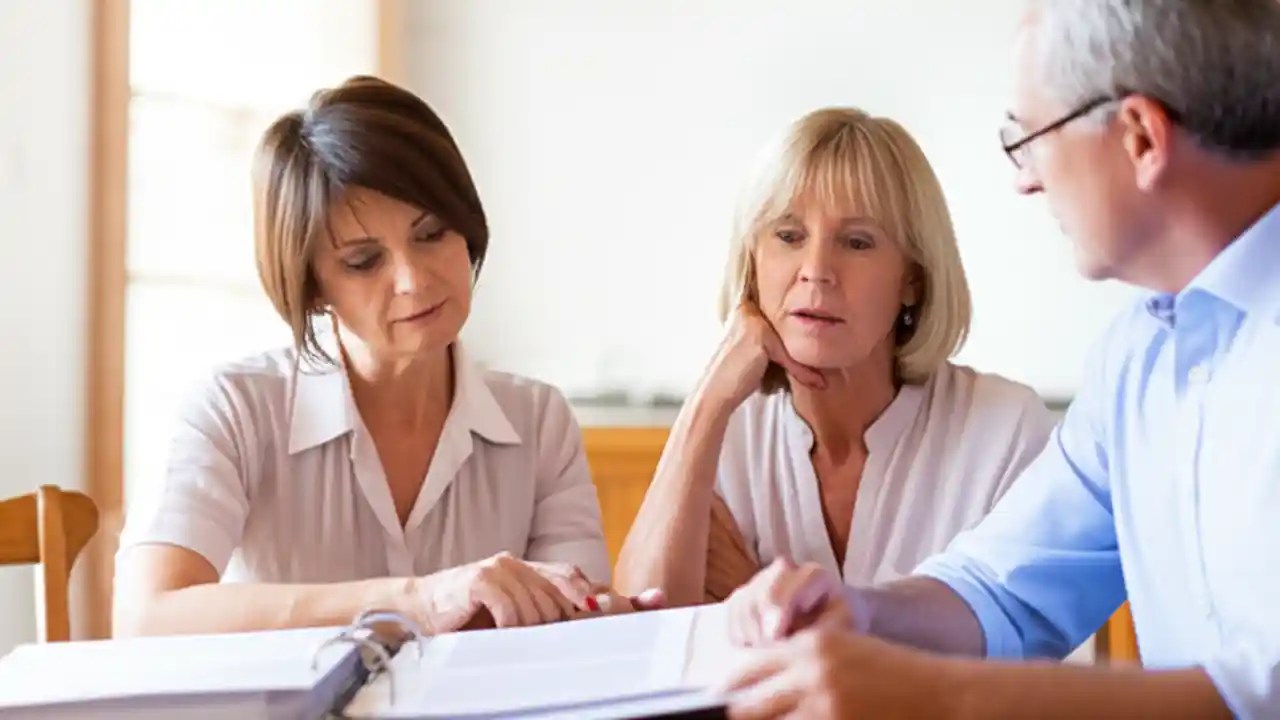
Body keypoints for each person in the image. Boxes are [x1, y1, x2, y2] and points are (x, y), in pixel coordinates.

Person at [720, 1, 1280, 718]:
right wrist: (858, 610)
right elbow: (1000, 588)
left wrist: (930, 693)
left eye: (1032, 136)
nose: (1025, 179)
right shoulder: (1136, 359)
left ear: (1140, 137)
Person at [113, 76, 649, 637]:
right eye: (364, 261)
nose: (414, 281)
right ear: (312, 286)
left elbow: (579, 633)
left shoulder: (539, 420)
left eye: (432, 232)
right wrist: (414, 600)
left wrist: (610, 614)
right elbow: (147, 616)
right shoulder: (233, 408)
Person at [614, 107, 1056, 607]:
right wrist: (706, 405)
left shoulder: (1005, 432)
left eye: (856, 242)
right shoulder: (729, 430)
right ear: (753, 263)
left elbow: (1003, 664)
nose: (817, 270)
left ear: (912, 280)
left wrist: (754, 599)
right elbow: (642, 625)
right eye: (788, 236)